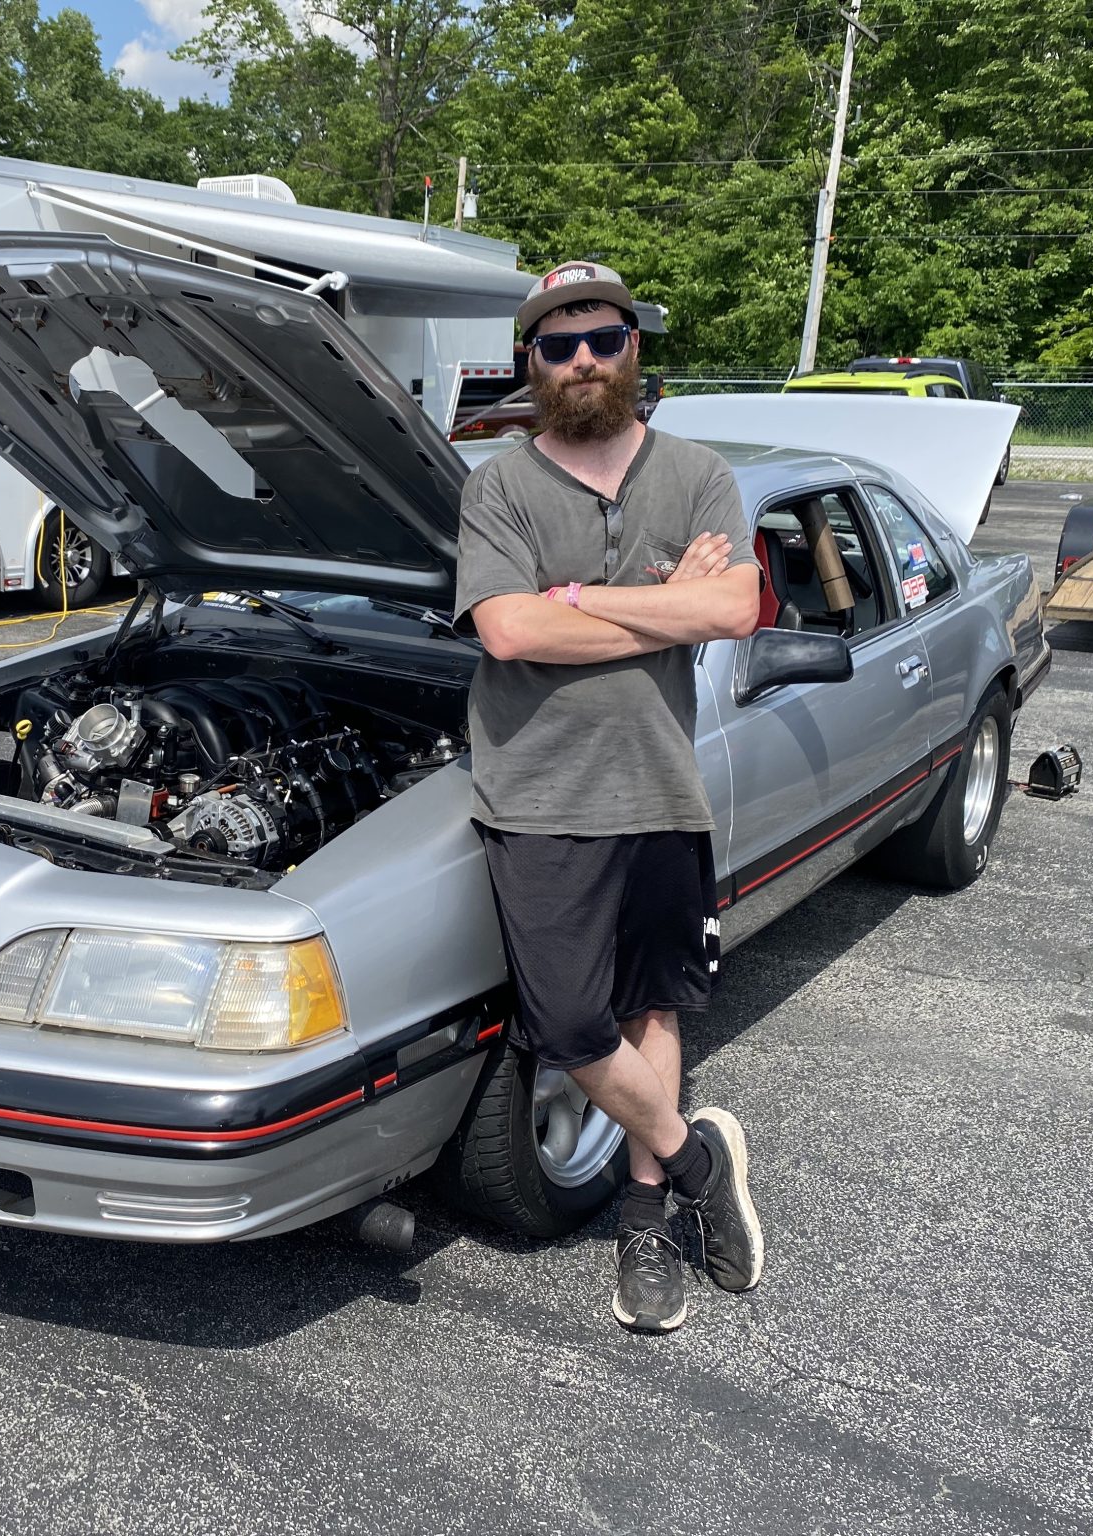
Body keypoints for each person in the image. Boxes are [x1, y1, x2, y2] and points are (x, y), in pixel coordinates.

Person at [453, 260, 767, 1333]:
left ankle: (641, 1219)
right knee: (569, 1020)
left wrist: (578, 598)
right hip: (535, 790)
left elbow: (731, 612)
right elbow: (506, 631)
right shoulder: (497, 484)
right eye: (557, 344)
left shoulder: (695, 472)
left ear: (634, 347)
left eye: (601, 338)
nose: (580, 360)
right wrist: (659, 604)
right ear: (528, 361)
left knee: (651, 1006)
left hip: (657, 788)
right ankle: (693, 1161)